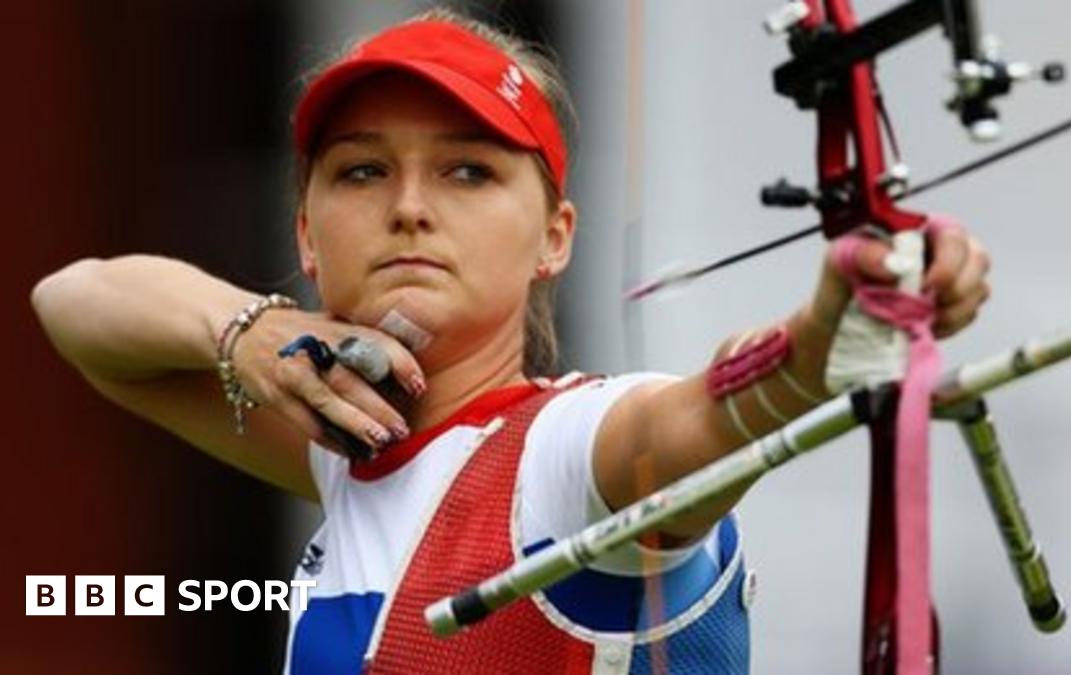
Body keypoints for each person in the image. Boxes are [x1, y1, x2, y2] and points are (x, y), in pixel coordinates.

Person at [30, 8, 991, 674]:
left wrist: (828, 335)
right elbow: (72, 303)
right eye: (363, 173)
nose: (409, 208)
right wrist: (250, 330)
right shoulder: (348, 456)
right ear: (307, 238)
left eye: (467, 172)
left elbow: (691, 426)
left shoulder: (569, 456)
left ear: (554, 237)